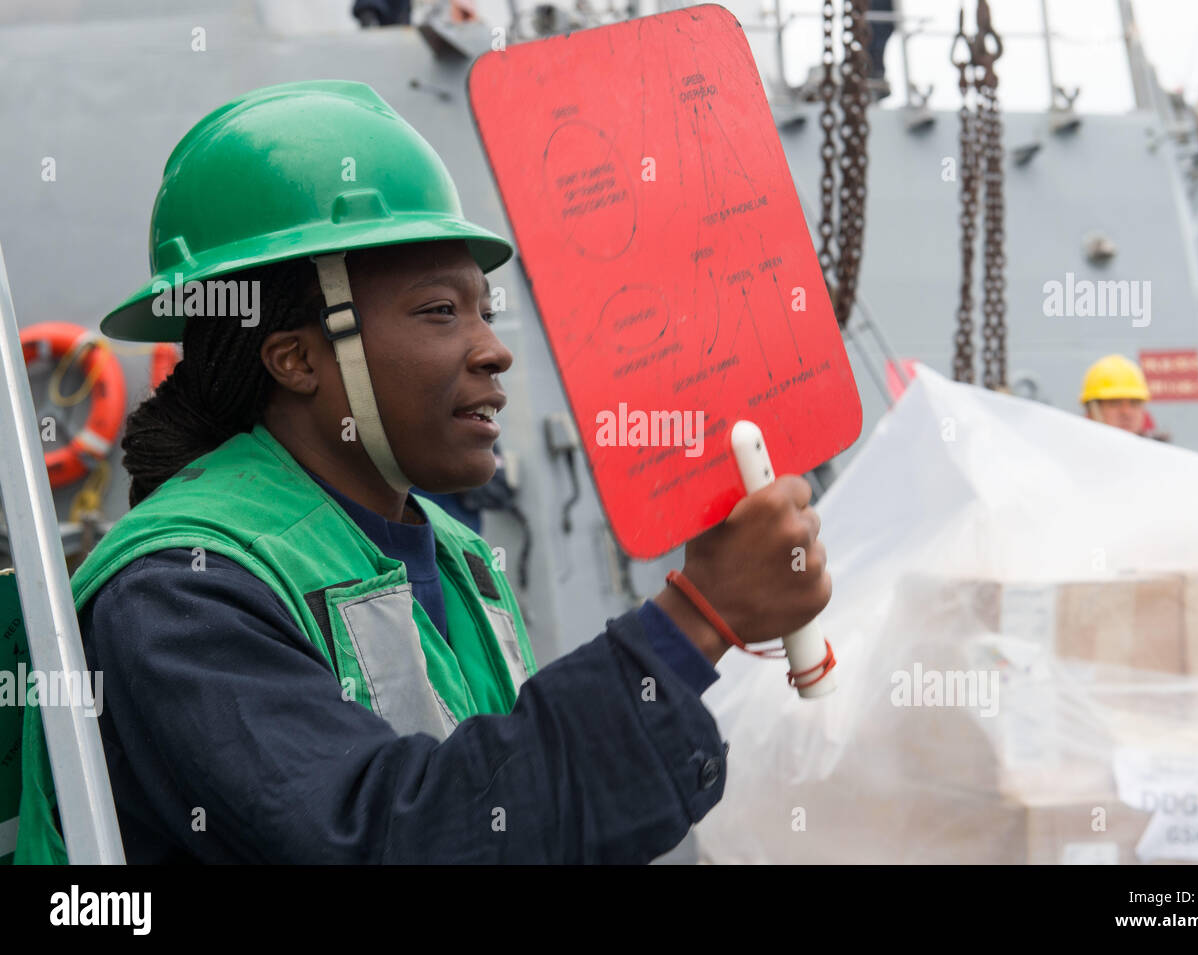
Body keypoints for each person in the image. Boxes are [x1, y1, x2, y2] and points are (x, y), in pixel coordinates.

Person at [15, 81, 832, 864]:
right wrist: (697, 618)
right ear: (296, 357)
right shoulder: (178, 594)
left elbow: (509, 807)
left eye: (485, 308)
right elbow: (393, 838)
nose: (493, 346)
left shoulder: (449, 550)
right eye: (441, 310)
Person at [1078, 354, 1163, 438]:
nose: (1126, 412)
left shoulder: (1161, 451)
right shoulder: (1074, 450)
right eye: (1115, 403)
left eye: (1134, 403)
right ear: (1092, 411)